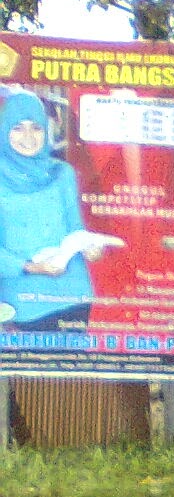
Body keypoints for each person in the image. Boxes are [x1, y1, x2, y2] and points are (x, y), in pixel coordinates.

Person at [0, 90, 116, 331]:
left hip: (72, 294)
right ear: (5, 130)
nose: (29, 136)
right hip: (22, 300)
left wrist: (91, 249)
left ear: (46, 129)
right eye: (18, 128)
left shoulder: (63, 173)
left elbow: (75, 227)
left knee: (72, 365)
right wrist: (31, 267)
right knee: (27, 367)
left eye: (36, 127)